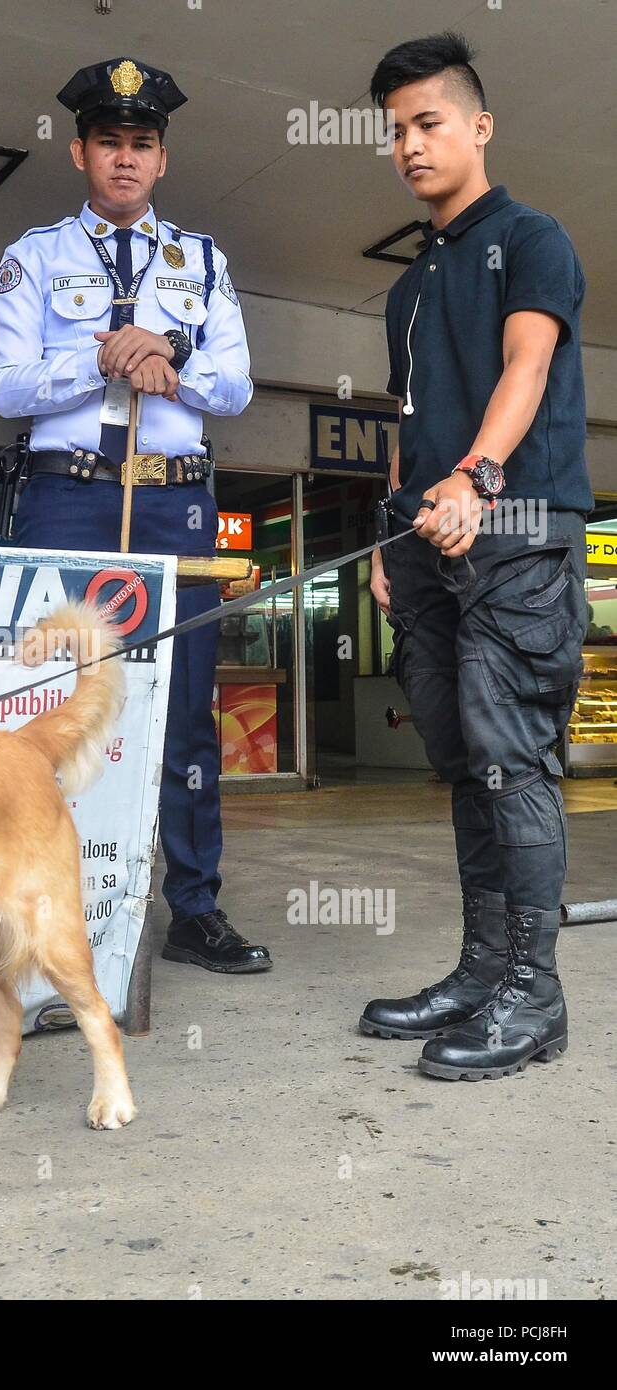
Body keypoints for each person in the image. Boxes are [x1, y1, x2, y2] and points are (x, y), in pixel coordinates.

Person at [0, 58, 271, 974]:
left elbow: (234, 387)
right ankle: (35, 904)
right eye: (108, 141)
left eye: (140, 144)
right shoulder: (32, 257)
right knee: (58, 701)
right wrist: (103, 357)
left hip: (175, 499)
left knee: (188, 710)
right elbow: (5, 386)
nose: (124, 158)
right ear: (79, 151)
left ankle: (192, 909)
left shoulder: (204, 263)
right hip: (68, 496)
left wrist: (171, 353)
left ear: (161, 160)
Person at [360, 33, 592, 1079]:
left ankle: (531, 998)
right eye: (394, 130)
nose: (408, 145)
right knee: (462, 765)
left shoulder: (531, 237)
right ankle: (481, 968)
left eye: (427, 122)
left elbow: (525, 362)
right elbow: (408, 427)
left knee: (513, 764)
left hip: (509, 533)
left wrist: (476, 478)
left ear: (476, 125)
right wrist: (389, 527)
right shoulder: (407, 288)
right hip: (426, 543)